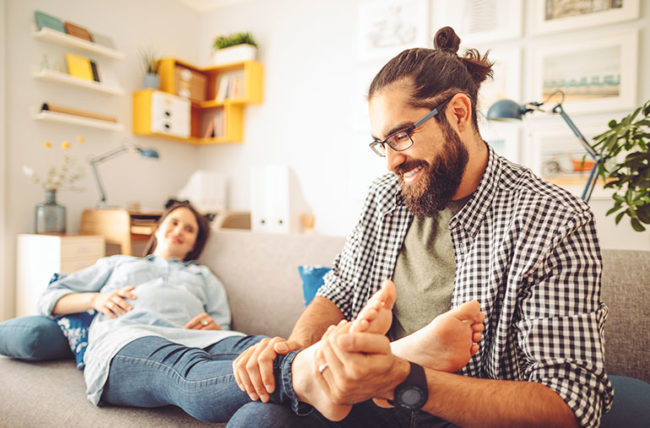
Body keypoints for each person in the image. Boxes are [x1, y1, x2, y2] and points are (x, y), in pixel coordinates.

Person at [229, 27, 613, 428]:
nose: (391, 161)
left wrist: (402, 377)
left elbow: (570, 402)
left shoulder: (555, 218)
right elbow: (340, 292)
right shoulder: (385, 197)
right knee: (258, 418)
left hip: (462, 408)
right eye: (383, 143)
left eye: (401, 135)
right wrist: (298, 355)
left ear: (458, 114)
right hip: (366, 399)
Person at [38, 200, 484, 423]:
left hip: (208, 338)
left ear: (195, 243)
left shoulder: (203, 278)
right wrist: (95, 301)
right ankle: (353, 366)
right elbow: (50, 298)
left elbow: (227, 326)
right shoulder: (119, 264)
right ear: (159, 229)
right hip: (131, 340)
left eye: (189, 228)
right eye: (173, 221)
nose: (179, 230)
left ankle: (389, 363)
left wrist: (215, 326)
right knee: (182, 371)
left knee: (257, 350)